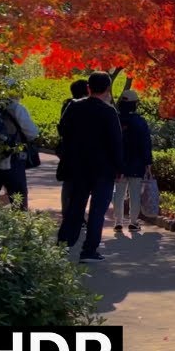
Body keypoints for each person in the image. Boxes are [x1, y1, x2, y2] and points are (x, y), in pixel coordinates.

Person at [56, 72, 124, 262]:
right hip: (104, 169)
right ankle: (89, 250)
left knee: (75, 207)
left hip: (78, 166)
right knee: (97, 211)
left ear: (88, 87)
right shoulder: (109, 111)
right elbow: (116, 142)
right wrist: (119, 167)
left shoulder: (74, 107)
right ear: (108, 88)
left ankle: (64, 244)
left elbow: (63, 130)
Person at [0, 80, 39, 210]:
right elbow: (32, 133)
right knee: (18, 202)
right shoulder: (16, 108)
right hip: (11, 160)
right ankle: (20, 228)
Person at [112, 90, 153, 233]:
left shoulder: (115, 120)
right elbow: (146, 144)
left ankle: (118, 222)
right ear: (134, 104)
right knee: (135, 194)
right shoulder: (140, 122)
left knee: (119, 193)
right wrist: (148, 163)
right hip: (136, 164)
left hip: (119, 164)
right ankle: (133, 222)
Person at [58, 79, 89, 214]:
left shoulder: (67, 105)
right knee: (80, 184)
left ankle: (67, 212)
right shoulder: (82, 106)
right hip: (81, 151)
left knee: (68, 183)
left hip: (68, 150)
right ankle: (76, 214)